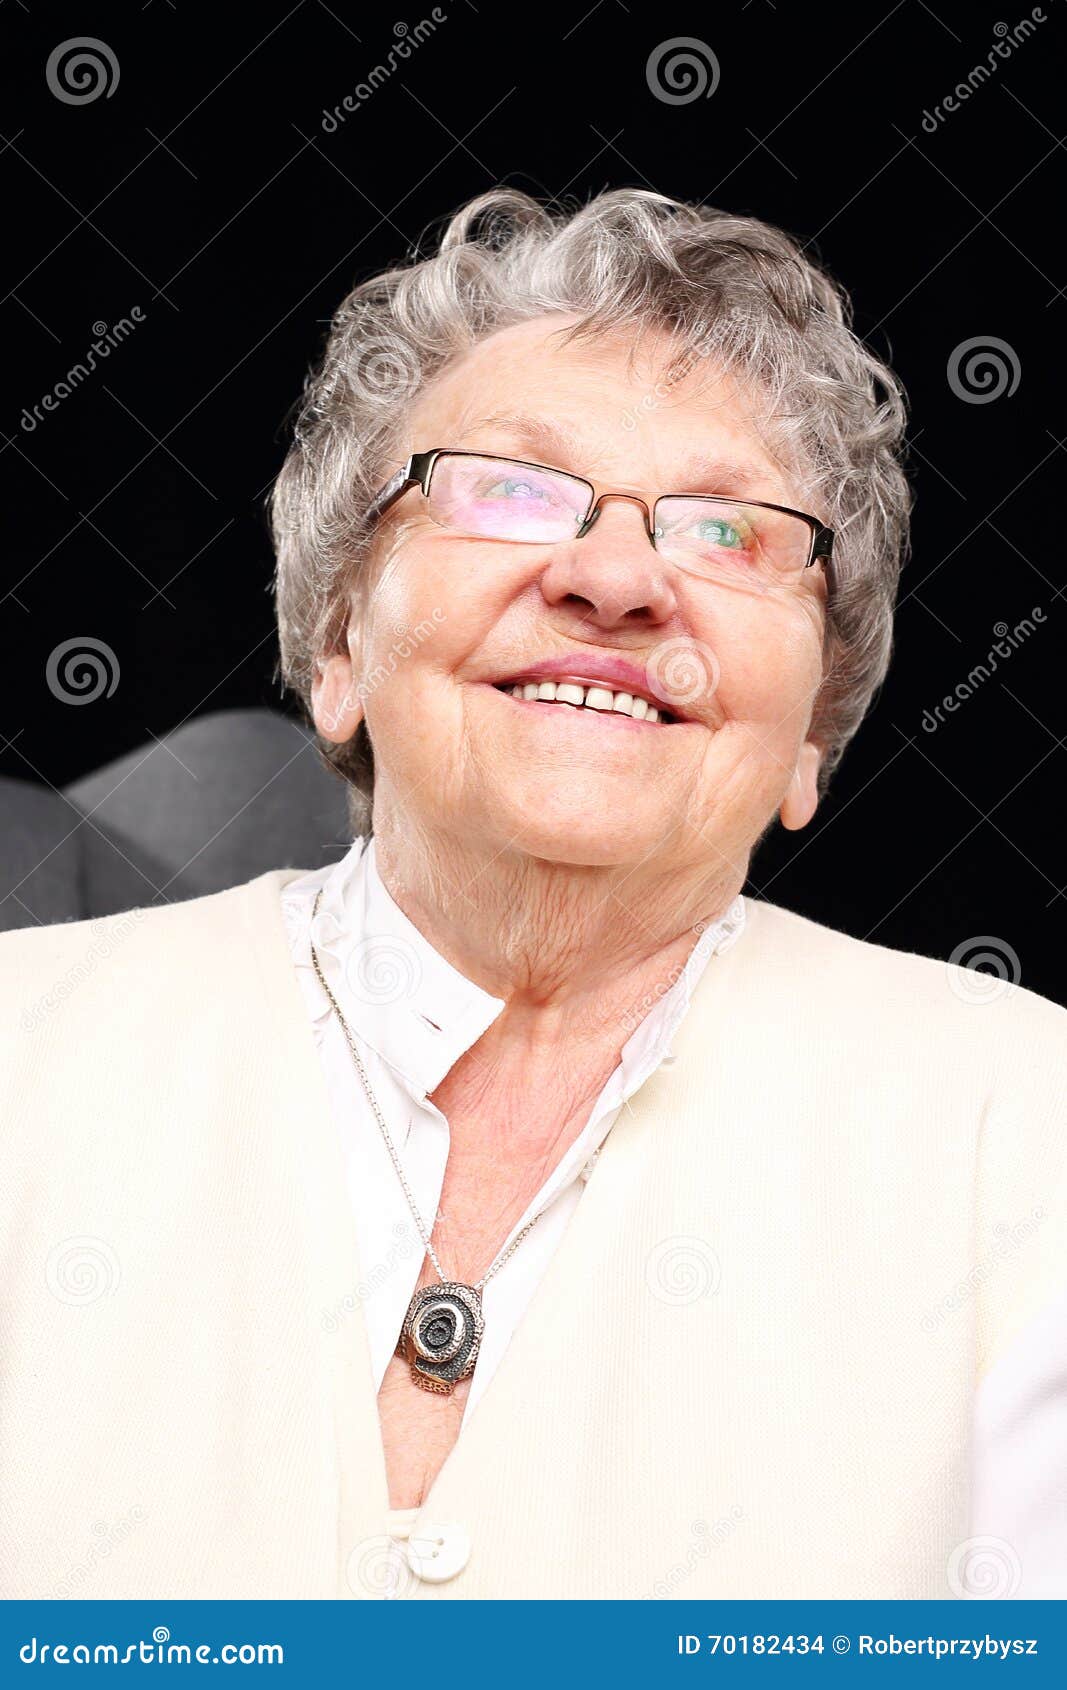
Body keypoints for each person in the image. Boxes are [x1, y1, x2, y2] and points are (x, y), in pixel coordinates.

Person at [2, 188, 1063, 1600]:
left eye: (728, 529)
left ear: (814, 728)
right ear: (338, 644)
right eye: (509, 488)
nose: (616, 577)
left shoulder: (1028, 1128)